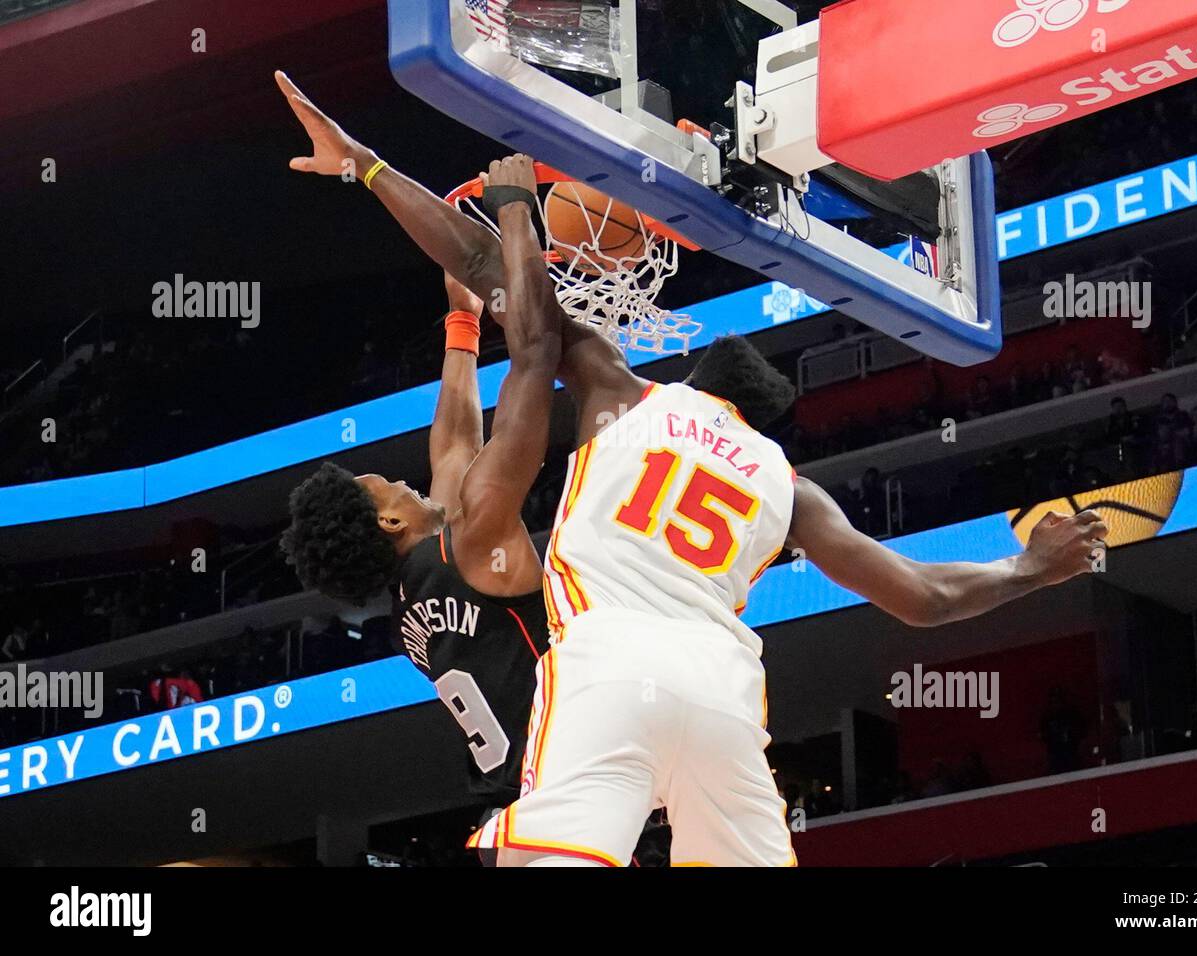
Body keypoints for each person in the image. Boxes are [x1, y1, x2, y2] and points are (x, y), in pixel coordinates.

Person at [276, 74, 1111, 867]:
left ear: (696, 382)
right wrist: (1029, 568)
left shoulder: (619, 398)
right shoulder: (787, 488)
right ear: (747, 411)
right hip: (722, 689)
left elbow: (508, 304)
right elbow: (924, 598)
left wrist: (416, 182)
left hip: (604, 672)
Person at [277, 137, 562, 832]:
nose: (404, 480)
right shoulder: (471, 540)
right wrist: (514, 222)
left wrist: (463, 324)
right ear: (391, 524)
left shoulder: (418, 595)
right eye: (387, 486)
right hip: (565, 798)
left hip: (515, 817)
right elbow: (535, 360)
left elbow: (458, 446)